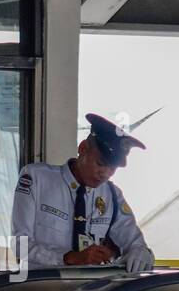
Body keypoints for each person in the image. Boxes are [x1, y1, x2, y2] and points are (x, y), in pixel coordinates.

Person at [12, 113, 155, 272]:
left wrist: (140, 252)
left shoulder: (112, 195)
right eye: (101, 164)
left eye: (113, 169)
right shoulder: (37, 178)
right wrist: (67, 258)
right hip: (41, 287)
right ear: (83, 148)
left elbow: (134, 243)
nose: (106, 174)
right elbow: (19, 245)